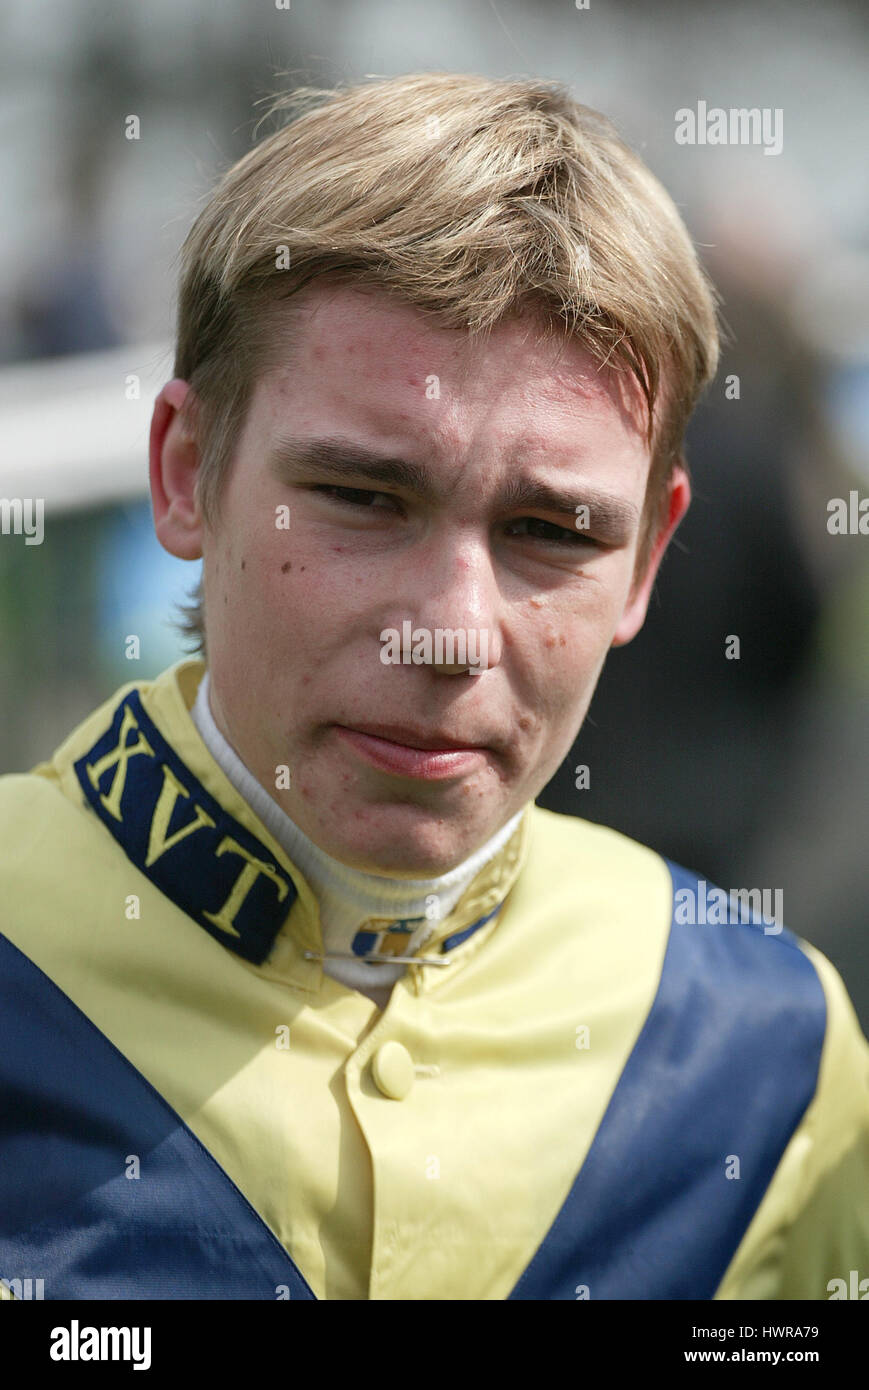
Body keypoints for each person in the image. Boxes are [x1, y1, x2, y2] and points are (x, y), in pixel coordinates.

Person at [1, 72, 866, 1302]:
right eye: (363, 496)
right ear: (186, 473)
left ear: (643, 562)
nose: (449, 636)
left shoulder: (767, 1050)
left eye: (550, 530)